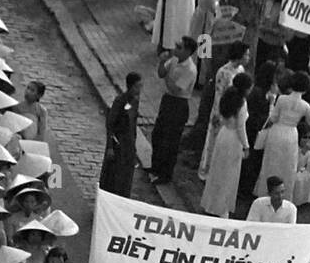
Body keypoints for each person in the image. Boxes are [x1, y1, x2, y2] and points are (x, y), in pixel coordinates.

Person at [254, 72, 310, 197]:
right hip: (291, 134)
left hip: (276, 132)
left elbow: (273, 118)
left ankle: (265, 193)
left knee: (271, 163)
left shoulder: (282, 99)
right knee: (287, 167)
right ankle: (283, 195)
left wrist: (272, 104)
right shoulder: (305, 106)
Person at [201, 72, 251, 217]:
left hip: (223, 135)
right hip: (233, 139)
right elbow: (241, 127)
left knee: (217, 171)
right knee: (229, 175)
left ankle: (211, 204)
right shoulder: (242, 103)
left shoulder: (228, 96)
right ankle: (222, 208)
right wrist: (246, 146)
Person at [149, 36, 197, 186]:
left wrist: (168, 76)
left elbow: (175, 89)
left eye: (179, 47)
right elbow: (161, 73)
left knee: (170, 142)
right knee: (158, 134)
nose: (175, 49)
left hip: (179, 104)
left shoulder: (190, 69)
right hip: (168, 100)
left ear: (188, 51)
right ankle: (155, 167)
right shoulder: (174, 60)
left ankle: (165, 174)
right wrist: (162, 62)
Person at [99, 73, 141, 197]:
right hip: (118, 144)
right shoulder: (120, 101)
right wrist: (110, 147)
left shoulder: (134, 101)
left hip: (128, 145)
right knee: (113, 174)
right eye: (137, 87)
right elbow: (111, 124)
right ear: (130, 86)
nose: (139, 90)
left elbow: (132, 122)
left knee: (125, 176)